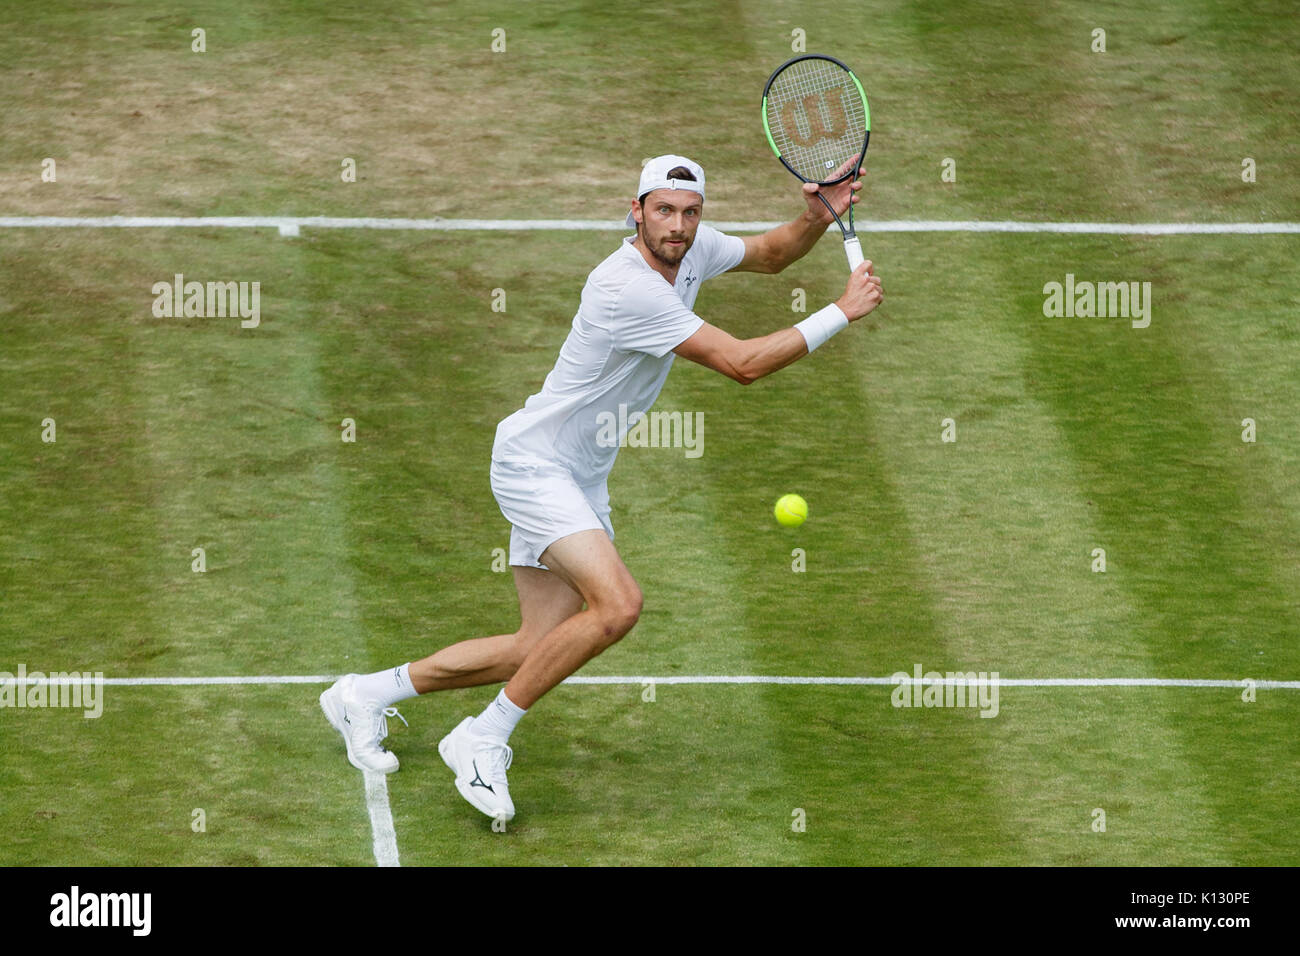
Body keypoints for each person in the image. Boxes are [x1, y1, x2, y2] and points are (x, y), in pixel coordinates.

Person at [320, 153, 884, 821]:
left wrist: (816, 215)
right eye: (664, 211)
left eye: (689, 212)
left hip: (579, 474)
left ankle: (365, 694)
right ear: (637, 210)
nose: (678, 226)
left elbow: (768, 254)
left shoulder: (693, 248)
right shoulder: (626, 288)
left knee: (536, 648)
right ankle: (482, 736)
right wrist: (840, 313)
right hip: (535, 467)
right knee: (617, 607)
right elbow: (741, 364)